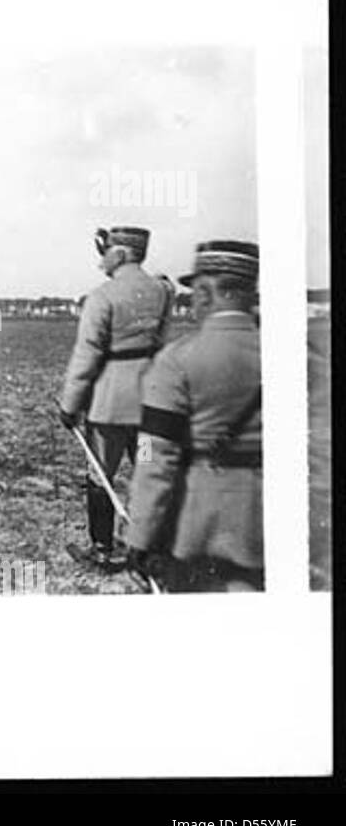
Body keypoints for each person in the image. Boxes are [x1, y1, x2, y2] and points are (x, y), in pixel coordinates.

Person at [124, 241, 262, 592]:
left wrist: (139, 535)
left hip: (197, 526)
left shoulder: (175, 361)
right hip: (268, 527)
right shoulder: (303, 356)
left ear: (203, 293)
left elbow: (152, 457)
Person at [58, 227, 173, 570]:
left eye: (106, 251)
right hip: (151, 403)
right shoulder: (162, 291)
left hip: (111, 406)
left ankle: (103, 548)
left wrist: (70, 405)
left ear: (120, 254)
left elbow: (86, 357)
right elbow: (163, 341)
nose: (102, 258)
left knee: (101, 474)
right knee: (148, 469)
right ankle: (150, 546)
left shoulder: (102, 297)